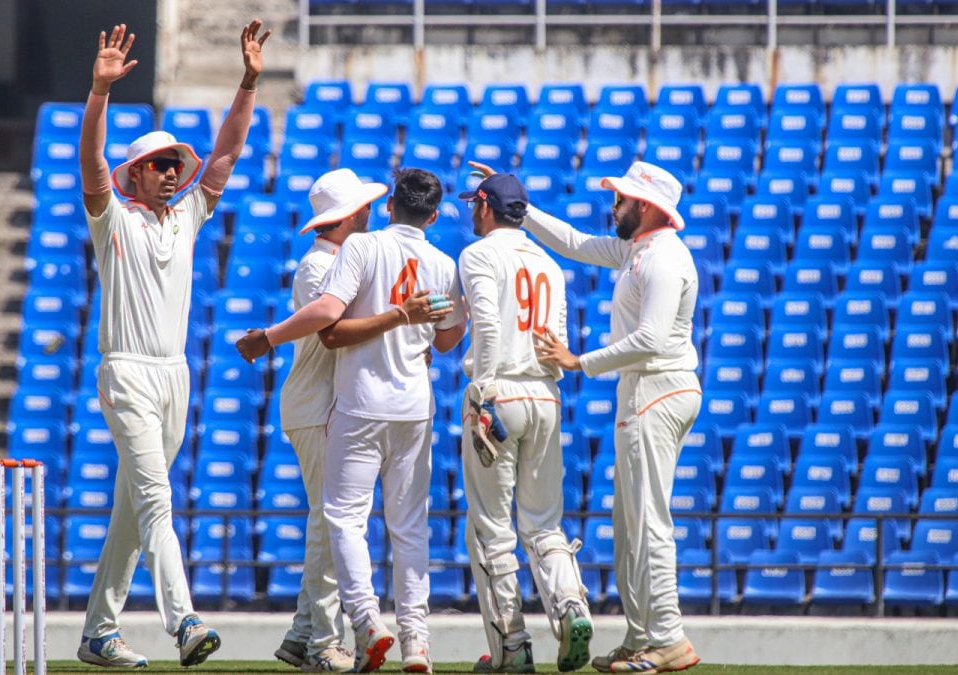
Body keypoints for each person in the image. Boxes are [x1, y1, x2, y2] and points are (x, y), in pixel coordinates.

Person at [74, 20, 270, 668]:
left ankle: (99, 632)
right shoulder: (113, 218)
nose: (170, 172)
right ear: (135, 174)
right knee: (157, 498)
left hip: (173, 375)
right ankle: (183, 620)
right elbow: (91, 165)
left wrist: (248, 81)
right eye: (158, 165)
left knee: (135, 511)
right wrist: (100, 92)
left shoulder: (187, 215)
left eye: (173, 165)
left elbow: (226, 155)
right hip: (127, 373)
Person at [236, 168, 467, 674]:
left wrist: (267, 337)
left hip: (354, 402)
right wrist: (419, 321)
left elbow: (334, 326)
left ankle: (332, 630)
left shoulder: (359, 250)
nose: (368, 212)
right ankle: (352, 637)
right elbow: (338, 324)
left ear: (390, 208)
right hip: (356, 403)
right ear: (433, 216)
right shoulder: (420, 260)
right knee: (382, 526)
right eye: (360, 207)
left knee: (337, 522)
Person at [490, 159, 703, 675]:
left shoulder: (662, 258)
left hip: (656, 389)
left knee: (648, 520)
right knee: (629, 524)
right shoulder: (639, 249)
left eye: (622, 199)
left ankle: (668, 636)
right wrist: (521, 209)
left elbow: (651, 340)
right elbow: (575, 243)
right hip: (646, 391)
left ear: (645, 206)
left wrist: (578, 361)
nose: (614, 206)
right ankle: (641, 636)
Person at [455, 173, 594, 674]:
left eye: (474, 204)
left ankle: (512, 648)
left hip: (500, 392)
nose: (472, 213)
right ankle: (571, 605)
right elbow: (558, 343)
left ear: (486, 207)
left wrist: (483, 390)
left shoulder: (478, 254)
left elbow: (489, 326)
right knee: (543, 524)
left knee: (491, 531)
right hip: (545, 394)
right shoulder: (549, 264)